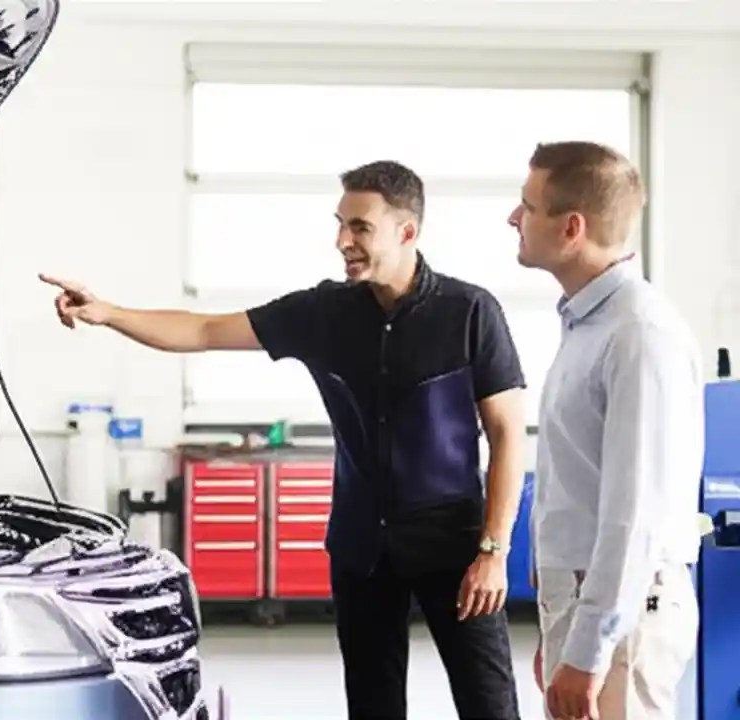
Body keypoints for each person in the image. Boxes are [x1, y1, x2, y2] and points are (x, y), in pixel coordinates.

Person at [42, 160, 528, 719]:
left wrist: (493, 551)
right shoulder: (323, 312)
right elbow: (202, 330)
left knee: (489, 706)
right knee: (372, 706)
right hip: (361, 547)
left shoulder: (469, 311)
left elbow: (507, 433)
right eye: (340, 224)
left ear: (407, 232)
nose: (342, 241)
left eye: (360, 228)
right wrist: (108, 313)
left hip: (456, 547)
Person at [510, 141, 704, 720]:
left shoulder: (638, 335)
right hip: (591, 606)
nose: (514, 219)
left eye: (528, 206)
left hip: (626, 617)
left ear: (572, 227)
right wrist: (564, 629)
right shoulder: (589, 325)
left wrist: (589, 650)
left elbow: (634, 515)